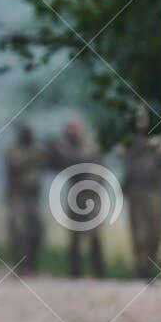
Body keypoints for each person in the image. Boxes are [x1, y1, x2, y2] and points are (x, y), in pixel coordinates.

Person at [45, 117, 105, 278]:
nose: (70, 133)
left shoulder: (90, 146)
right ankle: (75, 271)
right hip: (75, 194)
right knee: (74, 233)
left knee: (93, 234)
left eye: (72, 129)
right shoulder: (70, 147)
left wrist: (61, 148)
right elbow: (54, 165)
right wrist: (53, 150)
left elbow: (79, 160)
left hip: (91, 194)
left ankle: (99, 271)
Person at [123, 108, 161, 279]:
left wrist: (155, 147)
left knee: (155, 231)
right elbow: (124, 159)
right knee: (138, 232)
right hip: (136, 190)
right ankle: (141, 267)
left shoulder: (159, 144)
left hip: (154, 192)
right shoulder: (131, 143)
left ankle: (152, 266)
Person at [3, 123, 45, 275]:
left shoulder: (36, 149)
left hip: (33, 197)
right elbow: (15, 163)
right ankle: (18, 264)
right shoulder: (13, 149)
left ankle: (31, 264)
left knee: (36, 230)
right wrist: (35, 155)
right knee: (18, 230)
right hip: (17, 196)